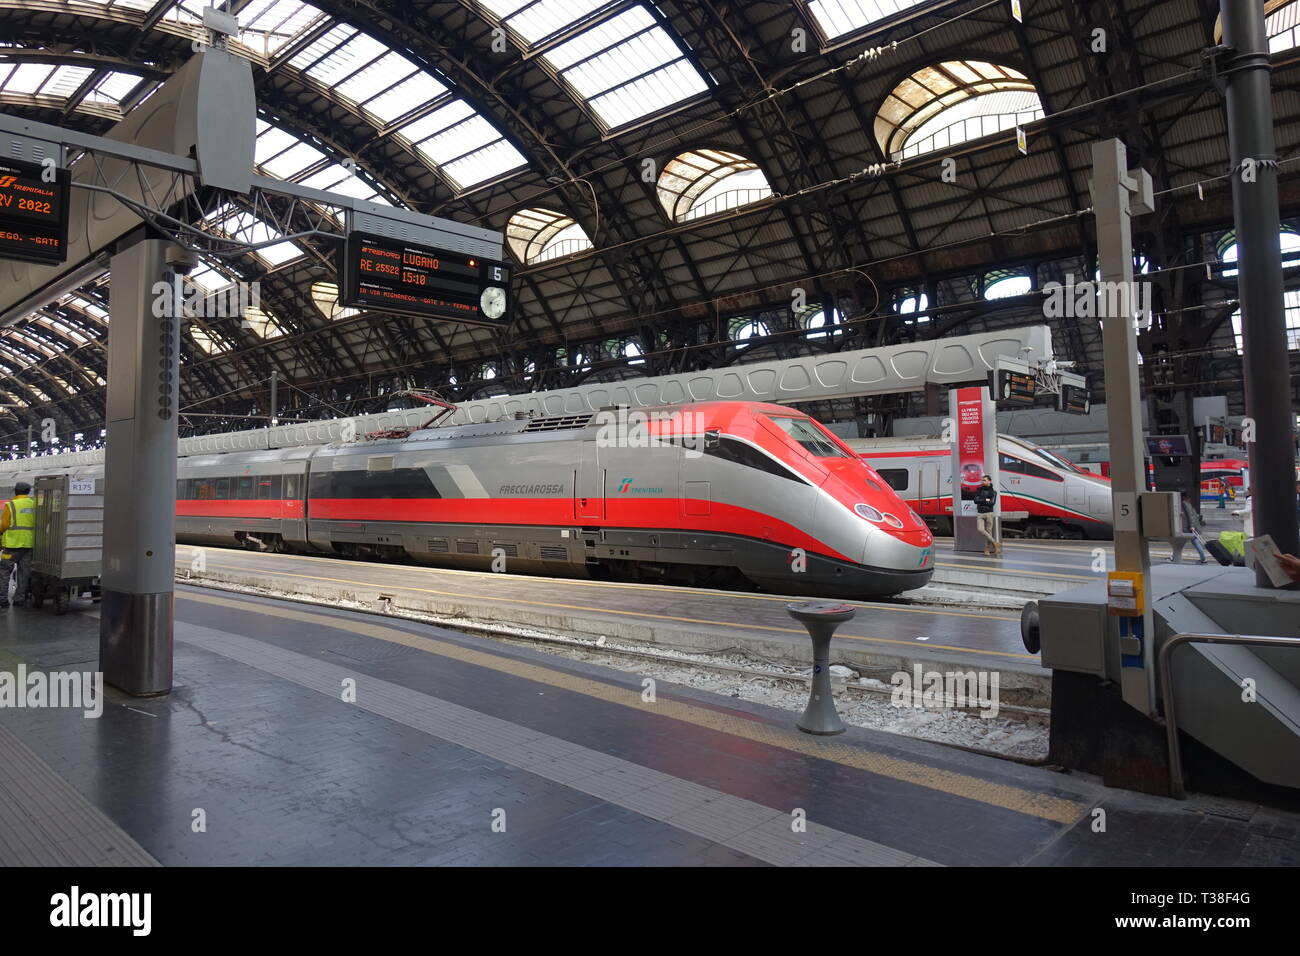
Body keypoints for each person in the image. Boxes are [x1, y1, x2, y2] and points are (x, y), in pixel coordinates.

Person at [0, 481, 35, 608]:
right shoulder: (34, 504)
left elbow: (4, 525)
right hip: (28, 545)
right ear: (28, 492)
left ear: (16, 491)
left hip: (11, 546)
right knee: (24, 573)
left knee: (4, 572)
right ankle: (19, 599)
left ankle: (3, 600)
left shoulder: (10, 505)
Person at [1167, 494, 1209, 565]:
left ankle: (1203, 559)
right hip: (1191, 527)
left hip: (1189, 528)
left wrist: (1192, 526)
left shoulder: (1185, 504)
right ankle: (1203, 559)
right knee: (1184, 542)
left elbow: (1190, 516)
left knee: (1181, 542)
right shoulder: (1189, 504)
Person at [974, 474, 1000, 556]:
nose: (983, 482)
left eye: (985, 480)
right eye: (982, 480)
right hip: (980, 513)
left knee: (989, 532)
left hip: (989, 513)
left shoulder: (994, 492)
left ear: (989, 481)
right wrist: (986, 499)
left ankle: (986, 549)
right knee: (980, 529)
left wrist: (981, 500)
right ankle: (995, 542)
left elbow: (992, 503)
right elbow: (975, 500)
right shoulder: (979, 490)